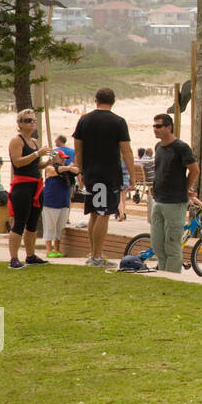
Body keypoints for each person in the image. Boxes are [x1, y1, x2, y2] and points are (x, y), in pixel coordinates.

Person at [73, 88, 135, 269]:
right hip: (108, 175)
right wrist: (132, 176)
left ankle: (94, 254)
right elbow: (126, 151)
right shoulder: (118, 122)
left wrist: (81, 171)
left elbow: (78, 148)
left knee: (94, 212)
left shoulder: (84, 119)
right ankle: (97, 257)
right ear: (113, 101)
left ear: (96, 100)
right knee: (103, 214)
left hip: (91, 173)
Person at [149, 113, 201, 273]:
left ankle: (171, 278)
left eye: (158, 126)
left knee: (172, 245)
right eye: (154, 126)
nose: (155, 129)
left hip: (175, 202)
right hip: (158, 201)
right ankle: (163, 276)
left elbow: (194, 170)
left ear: (168, 127)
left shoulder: (181, 147)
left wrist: (185, 187)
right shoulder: (158, 147)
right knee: (158, 244)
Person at [7, 109, 51, 268]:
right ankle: (13, 258)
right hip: (22, 186)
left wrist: (48, 163)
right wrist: (37, 153)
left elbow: (36, 165)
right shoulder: (16, 141)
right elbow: (18, 162)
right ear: (19, 123)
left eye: (33, 120)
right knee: (19, 222)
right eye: (27, 120)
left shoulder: (34, 142)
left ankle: (30, 255)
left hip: (36, 185)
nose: (32, 122)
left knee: (32, 223)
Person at [41, 150, 79, 258]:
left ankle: (57, 249)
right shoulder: (50, 168)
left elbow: (77, 171)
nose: (63, 160)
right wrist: (69, 167)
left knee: (60, 228)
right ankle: (49, 250)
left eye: (64, 158)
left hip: (63, 202)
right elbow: (55, 171)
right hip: (51, 203)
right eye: (61, 158)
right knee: (50, 227)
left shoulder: (65, 169)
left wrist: (70, 167)